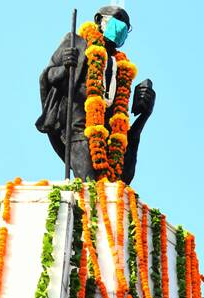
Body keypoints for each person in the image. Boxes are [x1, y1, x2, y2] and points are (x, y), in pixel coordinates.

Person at [36, 7, 156, 182]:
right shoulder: (76, 43)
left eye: (126, 26)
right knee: (89, 183)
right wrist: (66, 67)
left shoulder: (121, 64)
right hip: (80, 127)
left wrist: (144, 110)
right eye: (117, 20)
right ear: (99, 20)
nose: (121, 28)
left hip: (108, 131)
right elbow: (47, 76)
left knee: (115, 183)